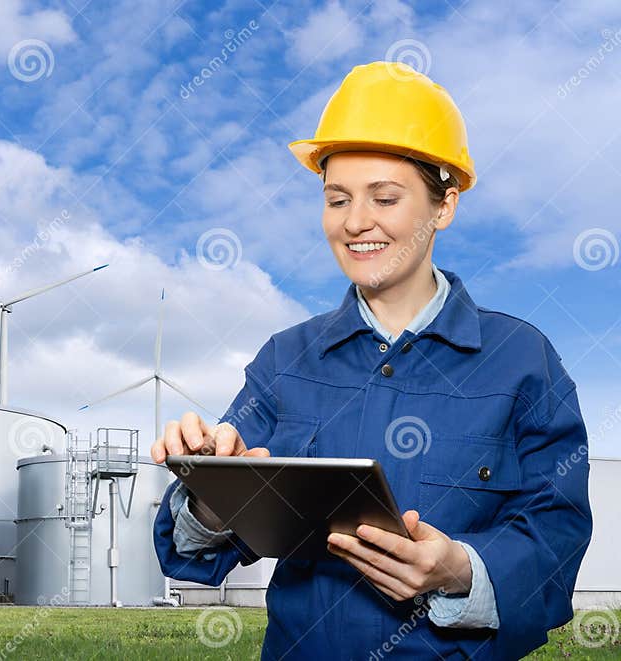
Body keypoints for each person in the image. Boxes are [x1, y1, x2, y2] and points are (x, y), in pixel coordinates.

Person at [150, 61, 593, 660]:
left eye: (384, 197)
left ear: (445, 206)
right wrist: (206, 481)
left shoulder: (522, 360)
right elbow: (204, 546)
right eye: (337, 200)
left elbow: (556, 530)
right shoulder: (286, 359)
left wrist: (461, 571)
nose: (356, 222)